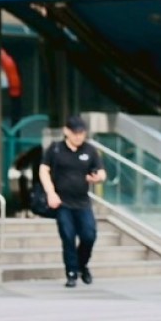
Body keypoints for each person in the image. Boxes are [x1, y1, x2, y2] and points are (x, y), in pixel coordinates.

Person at [39, 114, 107, 288]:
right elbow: (43, 170)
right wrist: (51, 193)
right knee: (68, 236)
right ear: (66, 131)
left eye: (82, 133)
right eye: (75, 132)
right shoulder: (55, 149)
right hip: (63, 202)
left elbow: (101, 172)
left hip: (82, 202)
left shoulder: (89, 150)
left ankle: (82, 265)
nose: (79, 136)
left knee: (89, 236)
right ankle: (71, 273)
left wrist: (97, 178)